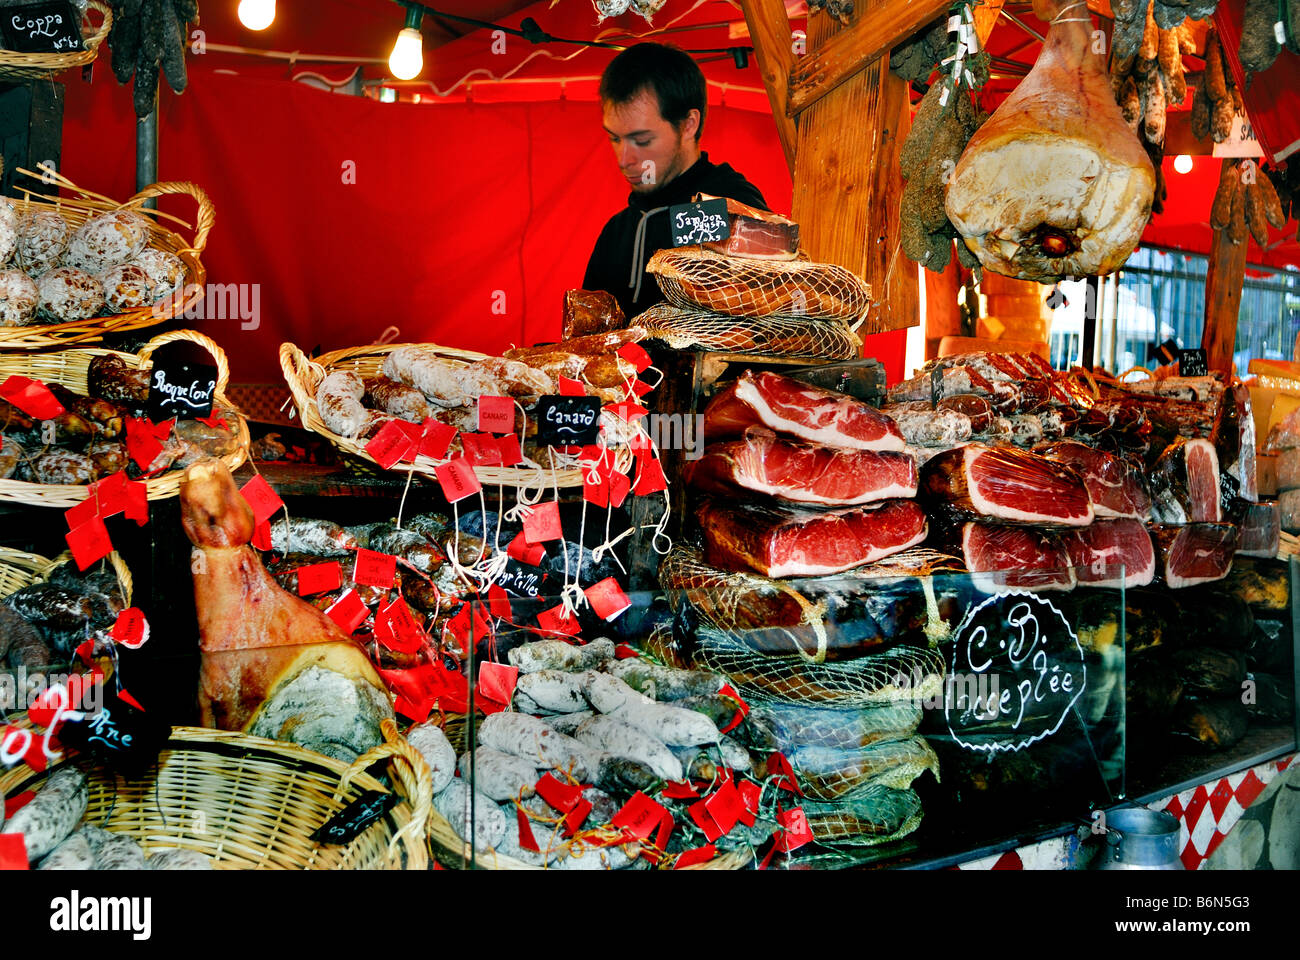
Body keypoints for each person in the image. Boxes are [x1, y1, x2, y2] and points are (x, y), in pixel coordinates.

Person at [583, 43, 770, 319]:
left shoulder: (730, 205)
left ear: (688, 125)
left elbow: (764, 325)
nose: (624, 159)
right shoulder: (615, 233)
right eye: (614, 138)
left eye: (642, 140)